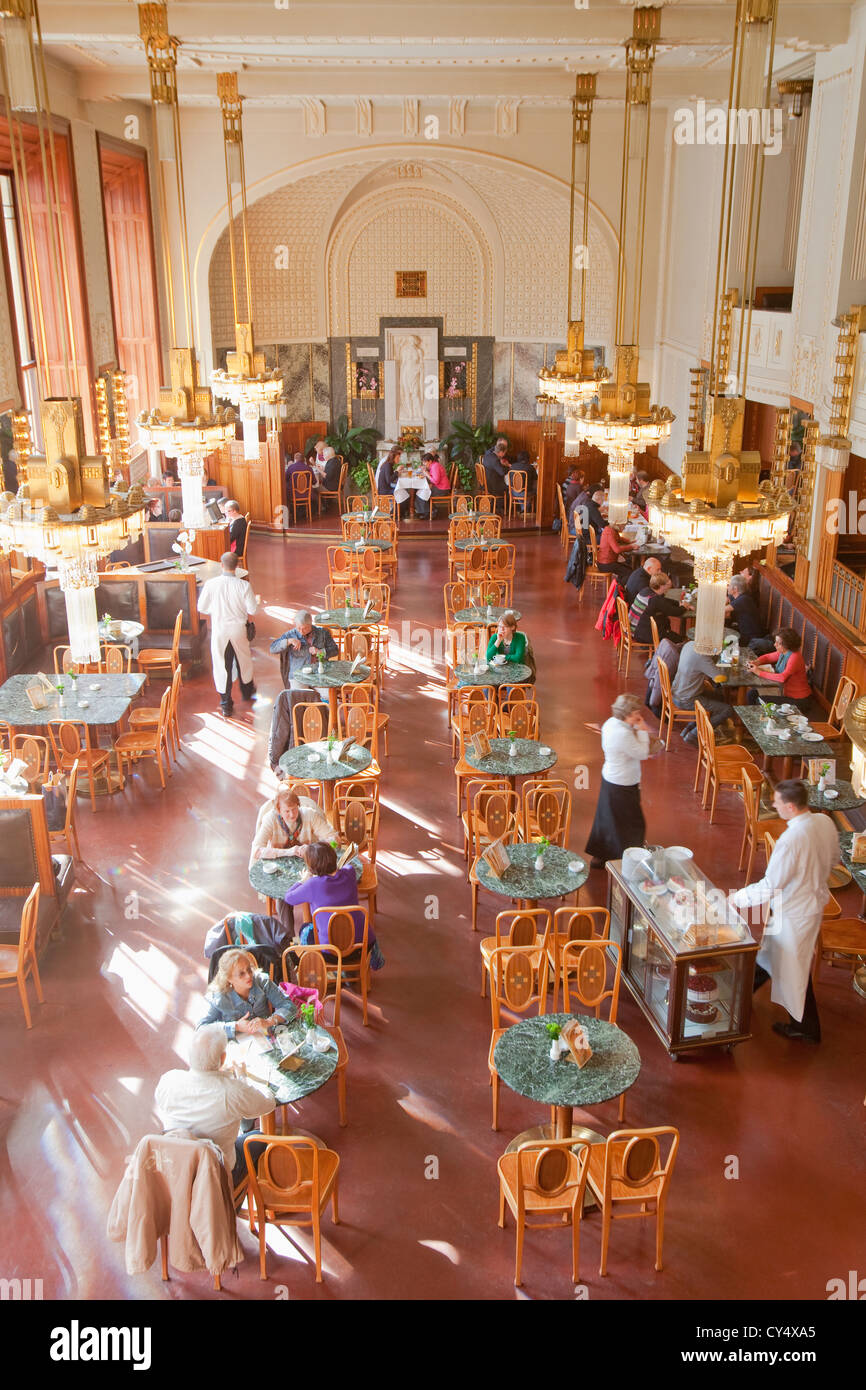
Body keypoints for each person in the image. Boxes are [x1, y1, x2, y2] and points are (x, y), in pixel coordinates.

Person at [731, 780, 838, 1043]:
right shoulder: (824, 822)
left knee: (793, 968)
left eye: (777, 802)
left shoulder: (791, 840)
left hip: (794, 912)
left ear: (790, 807)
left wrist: (737, 899)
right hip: (809, 905)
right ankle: (742, 994)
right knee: (772, 954)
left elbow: (771, 885)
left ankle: (806, 1028)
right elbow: (834, 859)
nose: (773, 805)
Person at [154, 1023, 276, 1190]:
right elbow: (267, 1103)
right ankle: (241, 1197)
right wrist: (242, 1078)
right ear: (223, 1058)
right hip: (217, 1176)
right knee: (259, 1138)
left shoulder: (169, 1080)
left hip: (177, 1168)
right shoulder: (230, 1091)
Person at [284, 841, 384, 968]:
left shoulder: (313, 885)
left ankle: (314, 967)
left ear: (312, 867)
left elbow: (289, 898)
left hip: (330, 953)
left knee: (305, 929)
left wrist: (303, 880)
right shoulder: (350, 872)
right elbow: (342, 870)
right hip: (362, 947)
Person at [585, 693, 653, 868]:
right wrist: (643, 731)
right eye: (636, 713)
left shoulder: (610, 723)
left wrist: (636, 728)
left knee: (608, 819)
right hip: (623, 782)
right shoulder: (623, 734)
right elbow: (642, 753)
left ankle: (600, 856)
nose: (639, 716)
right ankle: (630, 859)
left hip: (611, 778)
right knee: (634, 823)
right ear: (627, 714)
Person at [197, 552, 258, 717]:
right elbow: (253, 609)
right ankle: (247, 692)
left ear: (221, 565)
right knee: (243, 660)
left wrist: (215, 612)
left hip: (220, 629)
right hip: (239, 629)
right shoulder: (243, 586)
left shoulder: (211, 584)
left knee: (222, 665)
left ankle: (226, 704)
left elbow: (201, 607)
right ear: (237, 566)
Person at [197, 948, 296, 1039]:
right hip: (237, 1049)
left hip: (267, 1041)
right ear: (228, 978)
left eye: (249, 969)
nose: (249, 976)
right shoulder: (217, 997)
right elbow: (201, 1029)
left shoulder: (261, 981)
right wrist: (235, 1026)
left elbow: (289, 1006)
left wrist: (269, 1021)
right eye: (241, 974)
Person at [250, 787, 338, 869]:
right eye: (287, 811)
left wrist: (312, 849)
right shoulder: (270, 819)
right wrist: (289, 852)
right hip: (279, 866)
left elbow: (336, 841)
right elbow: (256, 851)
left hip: (310, 865)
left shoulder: (310, 815)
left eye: (294, 809)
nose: (292, 815)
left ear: (298, 805)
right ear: (278, 811)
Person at [672, 639, 734, 745]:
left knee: (718, 697)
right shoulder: (702, 658)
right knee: (727, 710)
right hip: (687, 699)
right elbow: (720, 679)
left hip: (678, 692)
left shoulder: (690, 644)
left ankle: (690, 728)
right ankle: (695, 734)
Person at [269, 609, 339, 690]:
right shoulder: (290, 635)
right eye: (299, 628)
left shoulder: (323, 633)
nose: (301, 631)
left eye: (305, 628)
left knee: (328, 695)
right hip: (298, 675)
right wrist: (289, 641)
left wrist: (321, 652)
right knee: (298, 696)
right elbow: (272, 648)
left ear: (311, 624)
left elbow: (335, 650)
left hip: (320, 673)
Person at [746, 628, 811, 711]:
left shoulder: (795, 657)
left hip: (799, 701)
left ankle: (761, 721)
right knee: (751, 694)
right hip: (784, 692)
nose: (774, 644)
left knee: (761, 700)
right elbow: (768, 657)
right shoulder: (784, 652)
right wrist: (756, 662)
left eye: (778, 643)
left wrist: (758, 672)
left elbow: (782, 678)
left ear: (787, 645)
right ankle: (753, 720)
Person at [629, 571, 686, 646]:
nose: (669, 587)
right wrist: (684, 607)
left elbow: (665, 601)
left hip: (634, 628)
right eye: (667, 585)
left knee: (668, 629)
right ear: (662, 586)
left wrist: (678, 603)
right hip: (643, 635)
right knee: (681, 640)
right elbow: (675, 612)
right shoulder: (655, 600)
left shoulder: (646, 590)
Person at [725, 572, 773, 654]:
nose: (727, 587)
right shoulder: (740, 595)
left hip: (751, 638)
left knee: (725, 641)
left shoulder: (743, 600)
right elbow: (727, 613)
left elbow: (723, 610)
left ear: (735, 589)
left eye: (729, 585)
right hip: (743, 632)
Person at [415, 452, 451, 519]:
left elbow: (436, 481)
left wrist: (426, 473)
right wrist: (427, 472)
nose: (424, 464)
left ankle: (427, 513)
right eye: (423, 462)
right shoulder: (434, 465)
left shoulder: (435, 466)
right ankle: (430, 510)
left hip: (442, 489)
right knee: (421, 491)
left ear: (430, 461)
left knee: (421, 492)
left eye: (425, 462)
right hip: (441, 487)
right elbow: (434, 477)